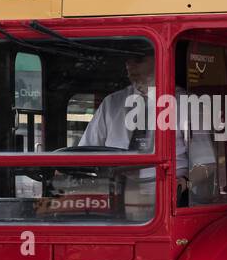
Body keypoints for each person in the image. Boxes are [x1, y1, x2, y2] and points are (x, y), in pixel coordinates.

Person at [78, 54, 216, 197]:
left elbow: (206, 163)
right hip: (116, 193)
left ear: (159, 61)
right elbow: (86, 152)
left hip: (166, 195)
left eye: (138, 60)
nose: (130, 66)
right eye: (127, 61)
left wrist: (183, 183)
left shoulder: (186, 103)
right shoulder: (111, 103)